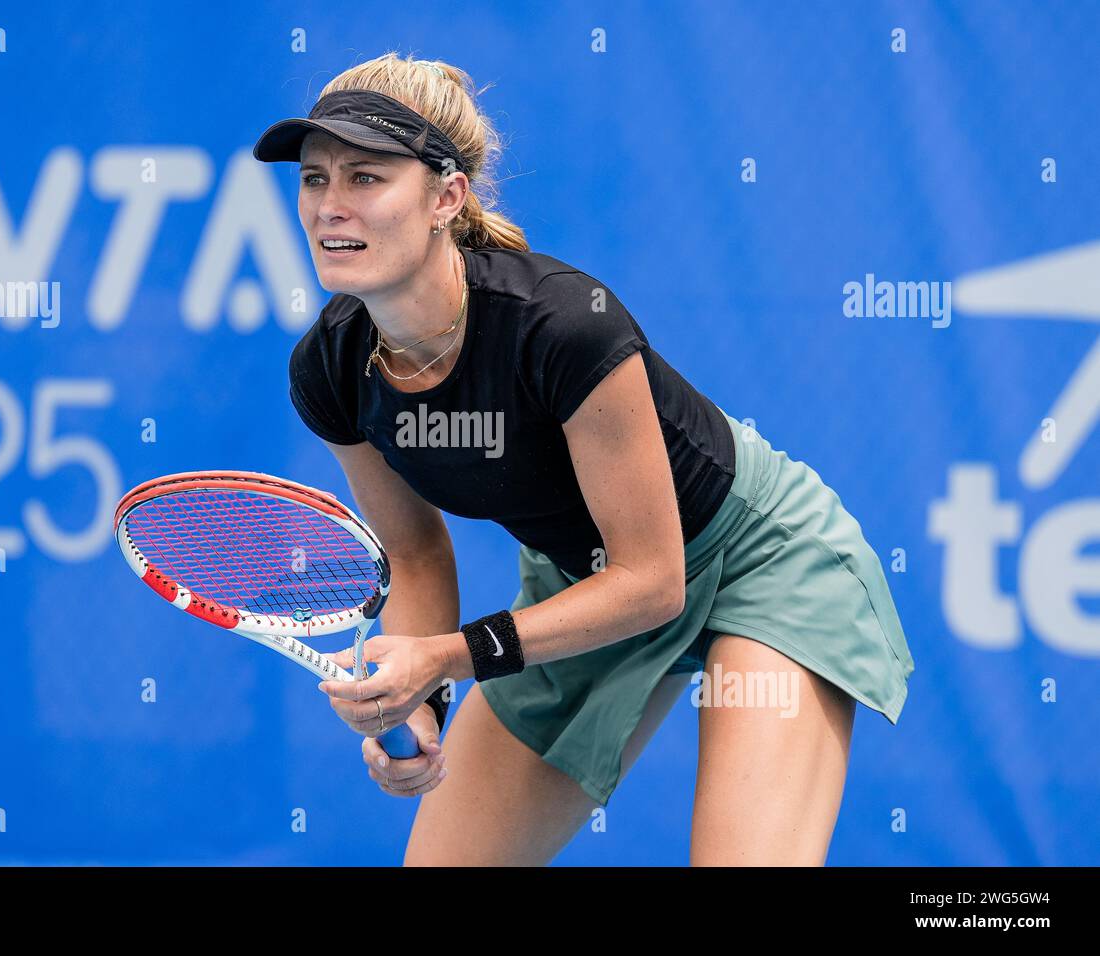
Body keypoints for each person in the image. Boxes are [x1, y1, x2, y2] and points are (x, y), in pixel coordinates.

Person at [253, 52, 914, 865]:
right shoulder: (329, 369)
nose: (329, 206)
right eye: (314, 179)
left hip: (759, 563)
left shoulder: (561, 325)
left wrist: (450, 655)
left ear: (446, 197)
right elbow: (417, 552)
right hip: (584, 590)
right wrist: (420, 698)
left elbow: (653, 580)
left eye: (365, 177)